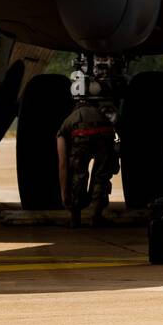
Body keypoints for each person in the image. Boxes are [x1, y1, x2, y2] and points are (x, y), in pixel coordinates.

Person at [57, 92, 119, 228]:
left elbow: (63, 164)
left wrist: (64, 193)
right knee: (101, 176)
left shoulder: (67, 122)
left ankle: (75, 218)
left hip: (80, 135)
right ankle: (96, 216)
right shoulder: (100, 114)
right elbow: (115, 138)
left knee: (78, 174)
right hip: (105, 132)